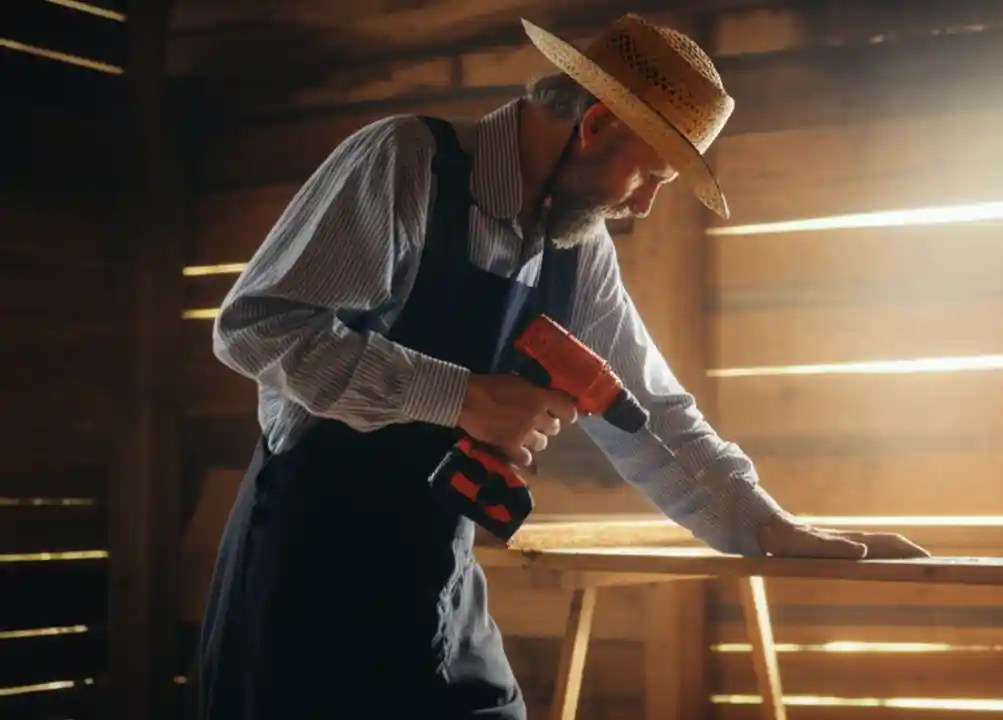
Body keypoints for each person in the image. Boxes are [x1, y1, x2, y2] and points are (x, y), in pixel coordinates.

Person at [196, 13, 928, 720]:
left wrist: (766, 525)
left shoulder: (580, 252)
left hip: (439, 583)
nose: (642, 204)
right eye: (651, 176)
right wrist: (460, 397)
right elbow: (259, 328)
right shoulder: (404, 163)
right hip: (310, 581)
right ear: (598, 122)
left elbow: (648, 412)